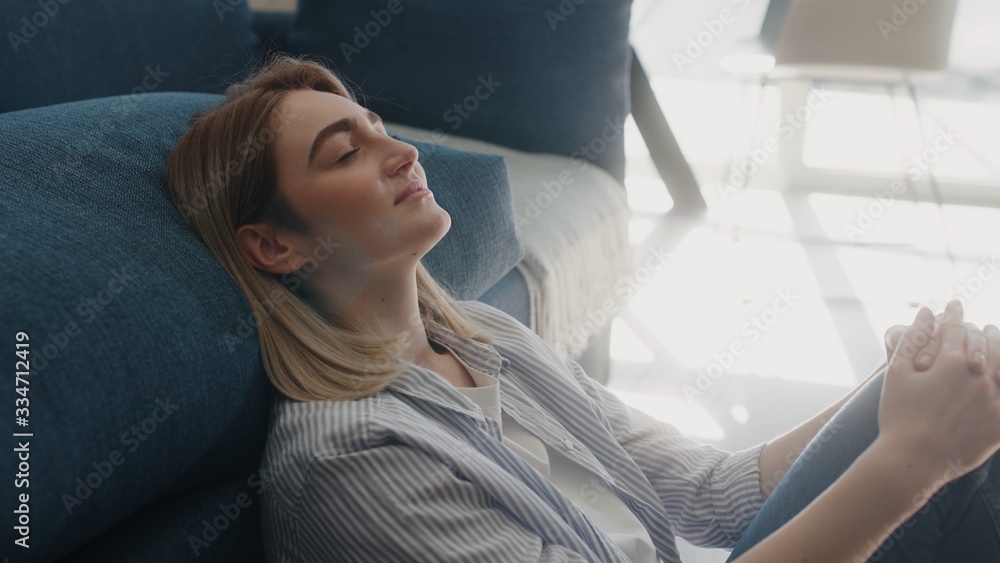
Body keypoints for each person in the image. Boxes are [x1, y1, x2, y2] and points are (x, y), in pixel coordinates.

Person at [166, 55, 1000, 562]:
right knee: (958, 463)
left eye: (378, 123)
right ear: (274, 246)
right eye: (347, 151)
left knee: (969, 384)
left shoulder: (491, 340)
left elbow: (711, 493)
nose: (404, 150)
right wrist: (915, 455)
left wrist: (889, 391)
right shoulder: (349, 460)